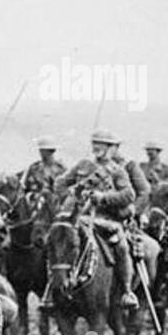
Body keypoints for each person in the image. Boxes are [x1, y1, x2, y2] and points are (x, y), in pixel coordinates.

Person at [54, 129, 139, 310]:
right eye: (95, 143)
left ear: (110, 148)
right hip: (79, 217)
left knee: (122, 246)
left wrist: (103, 197)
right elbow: (60, 183)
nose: (97, 147)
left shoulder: (118, 171)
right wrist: (70, 196)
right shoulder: (83, 165)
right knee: (57, 240)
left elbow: (129, 194)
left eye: (101, 144)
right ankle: (51, 289)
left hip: (105, 219)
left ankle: (126, 290)